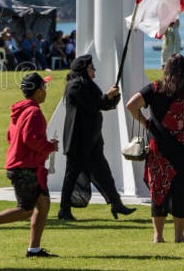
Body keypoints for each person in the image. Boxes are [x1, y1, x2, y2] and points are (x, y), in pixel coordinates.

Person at [0, 72, 59, 257]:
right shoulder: (34, 112)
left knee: (43, 204)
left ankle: (34, 249)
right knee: (25, 210)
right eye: (44, 87)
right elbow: (30, 138)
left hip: (21, 165)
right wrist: (49, 146)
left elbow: (11, 136)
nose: (45, 91)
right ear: (37, 91)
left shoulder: (20, 110)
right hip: (25, 168)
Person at [127, 54, 184, 243]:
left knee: (159, 189)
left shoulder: (155, 89)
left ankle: (158, 236)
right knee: (182, 190)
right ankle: (179, 236)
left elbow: (131, 105)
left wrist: (147, 123)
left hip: (159, 146)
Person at [58, 55, 135, 220]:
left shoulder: (88, 85)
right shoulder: (76, 86)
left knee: (104, 174)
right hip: (78, 141)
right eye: (91, 67)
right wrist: (107, 96)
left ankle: (117, 204)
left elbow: (103, 105)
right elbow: (93, 105)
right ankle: (64, 210)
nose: (94, 70)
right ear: (84, 69)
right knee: (71, 176)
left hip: (92, 140)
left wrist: (114, 96)